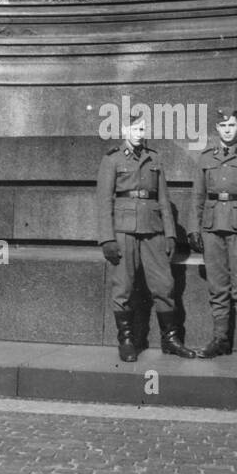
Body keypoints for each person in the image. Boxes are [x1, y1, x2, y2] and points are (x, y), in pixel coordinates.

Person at [96, 111, 196, 362]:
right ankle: (127, 340)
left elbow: (163, 198)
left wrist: (171, 233)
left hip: (153, 230)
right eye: (135, 129)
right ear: (124, 130)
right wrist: (107, 238)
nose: (140, 134)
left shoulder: (155, 158)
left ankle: (171, 339)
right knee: (124, 287)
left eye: (143, 129)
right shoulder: (112, 159)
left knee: (164, 285)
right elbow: (103, 200)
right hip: (124, 230)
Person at [188, 109, 237, 363]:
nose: (227, 129)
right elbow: (197, 197)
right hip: (212, 229)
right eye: (222, 125)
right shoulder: (205, 159)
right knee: (217, 287)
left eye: (231, 125)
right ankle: (221, 339)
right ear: (216, 128)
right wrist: (193, 228)